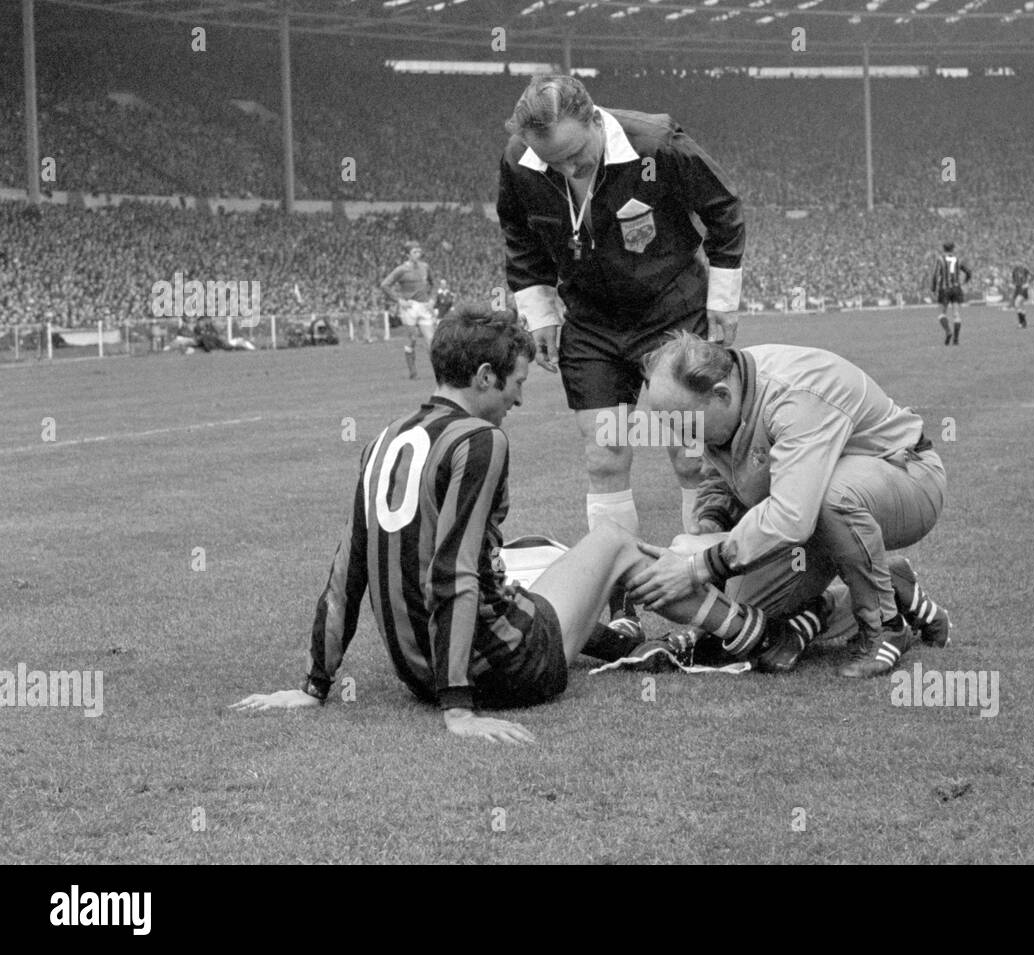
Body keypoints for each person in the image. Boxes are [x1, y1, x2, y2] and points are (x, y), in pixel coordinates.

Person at [231, 310, 815, 742]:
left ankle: (619, 638)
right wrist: (458, 709)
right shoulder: (479, 440)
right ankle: (763, 636)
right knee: (614, 544)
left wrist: (314, 686)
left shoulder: (383, 439)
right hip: (500, 670)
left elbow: (347, 570)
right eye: (516, 383)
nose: (518, 400)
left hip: (416, 673)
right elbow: (456, 574)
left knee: (551, 573)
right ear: (484, 376)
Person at [496, 74, 745, 615]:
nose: (567, 170)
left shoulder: (658, 146)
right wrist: (539, 314)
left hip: (672, 312)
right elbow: (519, 239)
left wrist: (722, 301)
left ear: (594, 119)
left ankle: (707, 596)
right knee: (604, 453)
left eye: (576, 156)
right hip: (590, 321)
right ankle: (618, 610)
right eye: (552, 161)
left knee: (689, 454)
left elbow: (724, 211)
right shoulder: (519, 161)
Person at [629, 333, 952, 678]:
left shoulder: (793, 398)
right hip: (810, 507)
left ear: (722, 395)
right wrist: (710, 524)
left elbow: (791, 518)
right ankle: (890, 586)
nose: (682, 438)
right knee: (747, 619)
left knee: (833, 497)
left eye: (684, 424)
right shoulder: (722, 393)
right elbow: (721, 475)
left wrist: (697, 567)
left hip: (908, 478)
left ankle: (884, 626)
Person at [380, 241, 436, 379]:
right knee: (412, 339)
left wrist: (432, 300)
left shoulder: (425, 267)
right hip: (410, 307)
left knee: (431, 341)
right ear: (408, 255)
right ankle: (413, 372)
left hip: (424, 307)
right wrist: (399, 300)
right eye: (414, 252)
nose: (418, 254)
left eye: (419, 251)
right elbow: (385, 285)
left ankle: (440, 374)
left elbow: (434, 283)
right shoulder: (401, 270)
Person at [931, 241, 972, 345]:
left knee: (942, 313)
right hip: (956, 289)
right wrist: (965, 282)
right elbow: (968, 272)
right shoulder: (957, 260)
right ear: (953, 249)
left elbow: (935, 275)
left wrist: (933, 289)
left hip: (944, 289)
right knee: (956, 314)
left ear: (943, 249)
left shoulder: (940, 260)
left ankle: (948, 331)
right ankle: (956, 340)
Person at [1010, 264, 1032, 329]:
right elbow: (1014, 281)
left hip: (1024, 289)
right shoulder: (1016, 272)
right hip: (1021, 289)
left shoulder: (1024, 271)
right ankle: (1023, 323)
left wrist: (1027, 283)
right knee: (1020, 306)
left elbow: (1030, 276)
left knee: (1017, 304)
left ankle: (1022, 322)